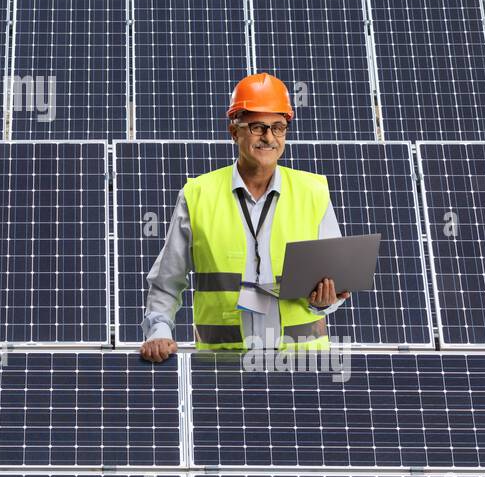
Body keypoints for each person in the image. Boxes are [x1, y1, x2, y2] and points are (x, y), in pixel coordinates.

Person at [140, 73, 351, 363]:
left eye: (279, 127)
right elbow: (167, 282)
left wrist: (324, 304)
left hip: (301, 366)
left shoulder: (313, 192)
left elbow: (332, 284)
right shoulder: (198, 195)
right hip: (221, 366)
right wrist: (159, 331)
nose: (269, 137)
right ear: (234, 131)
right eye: (257, 127)